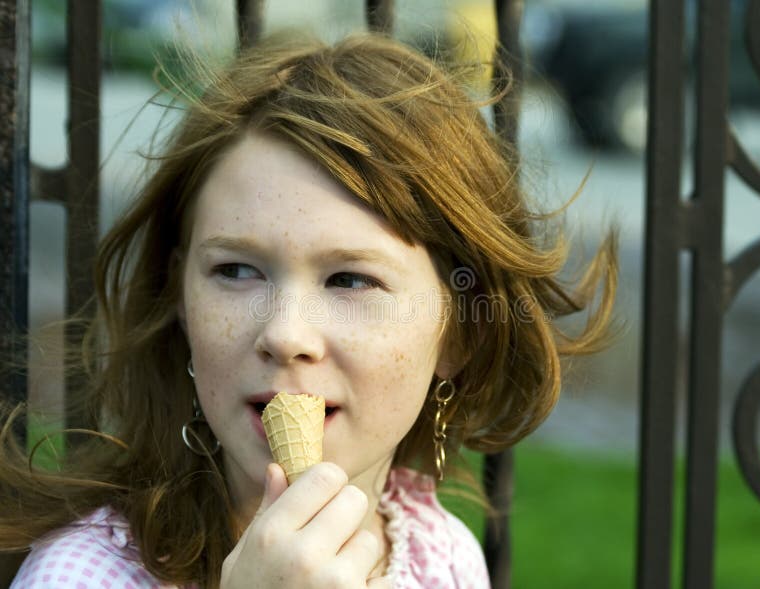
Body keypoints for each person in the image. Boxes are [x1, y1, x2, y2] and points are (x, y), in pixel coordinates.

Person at [0, 31, 617, 588]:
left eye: (350, 279)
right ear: (180, 301)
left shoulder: (443, 556)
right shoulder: (82, 575)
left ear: (458, 335)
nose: (286, 334)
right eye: (236, 270)